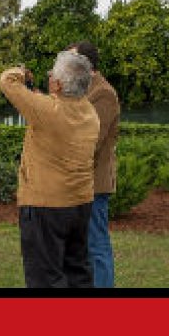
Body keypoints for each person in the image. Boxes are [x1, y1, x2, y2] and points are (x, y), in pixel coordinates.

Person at [0, 51, 100, 288]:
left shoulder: (47, 112)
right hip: (80, 204)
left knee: (45, 278)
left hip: (45, 207)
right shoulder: (89, 113)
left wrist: (21, 72)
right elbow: (51, 107)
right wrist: (36, 92)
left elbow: (6, 81)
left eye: (52, 73)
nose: (49, 76)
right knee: (78, 273)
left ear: (57, 83)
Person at [67, 41, 120, 288]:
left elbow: (92, 140)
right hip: (77, 182)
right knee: (82, 247)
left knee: (96, 245)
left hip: (94, 184)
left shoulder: (103, 93)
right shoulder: (80, 90)